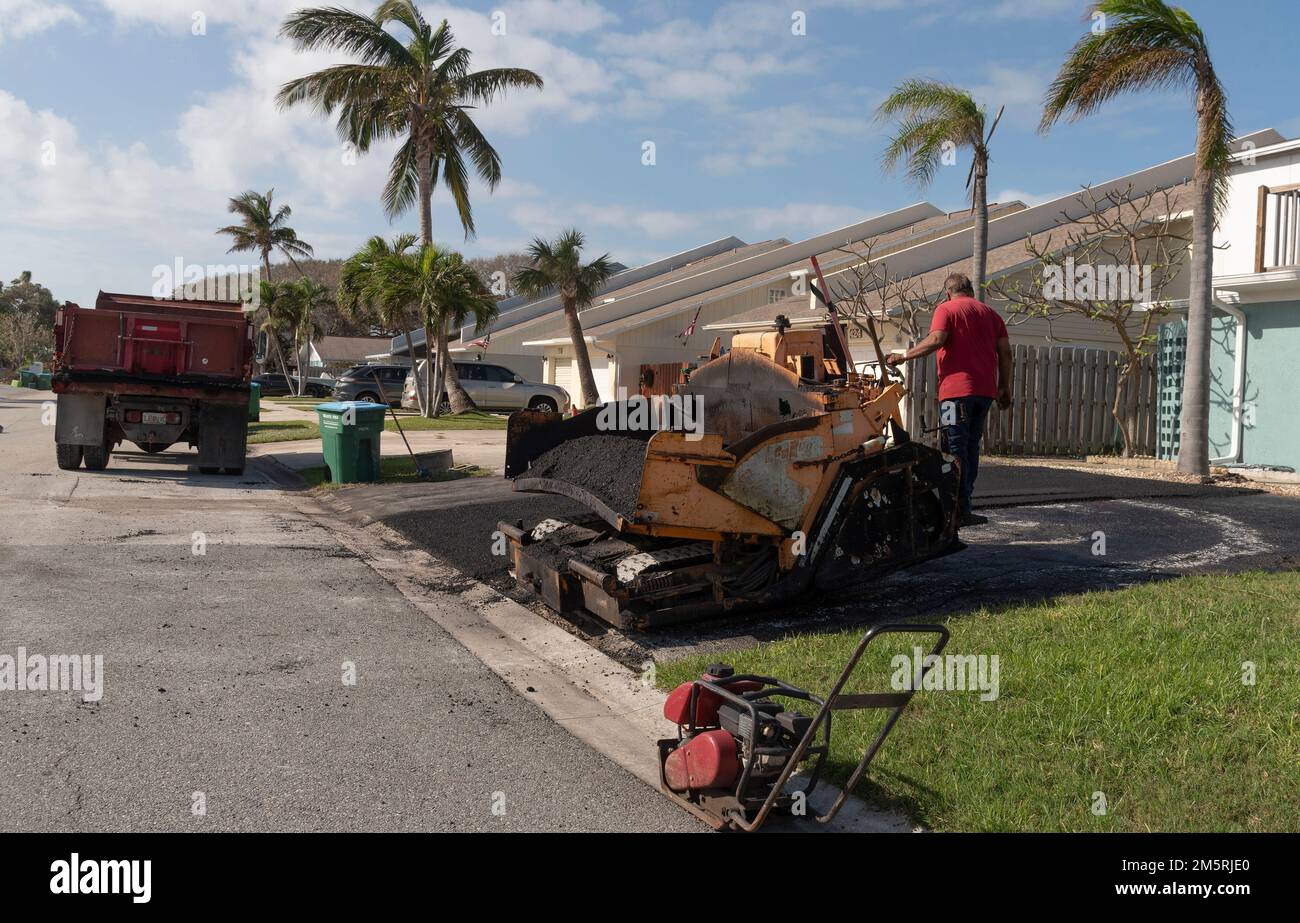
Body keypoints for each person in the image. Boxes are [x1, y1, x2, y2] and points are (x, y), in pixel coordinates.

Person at [885, 273, 1012, 527]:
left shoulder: (946, 309)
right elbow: (1006, 353)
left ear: (947, 293)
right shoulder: (992, 315)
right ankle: (964, 505)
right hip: (984, 394)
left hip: (955, 396)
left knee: (954, 448)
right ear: (971, 291)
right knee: (971, 447)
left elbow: (936, 339)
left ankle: (956, 510)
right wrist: (1004, 387)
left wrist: (903, 357)